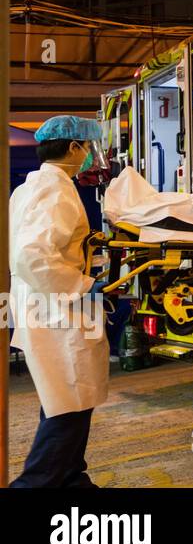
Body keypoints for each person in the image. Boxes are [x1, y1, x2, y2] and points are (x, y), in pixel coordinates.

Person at [8, 116, 112, 488]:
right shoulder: (55, 191)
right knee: (68, 404)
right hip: (58, 312)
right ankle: (34, 485)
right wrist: (81, 286)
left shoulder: (31, 186)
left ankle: (71, 478)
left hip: (46, 307)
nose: (89, 156)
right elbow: (31, 254)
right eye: (88, 148)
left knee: (67, 399)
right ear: (73, 148)